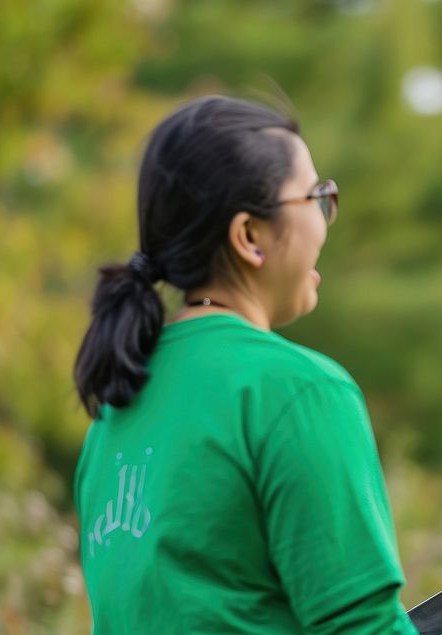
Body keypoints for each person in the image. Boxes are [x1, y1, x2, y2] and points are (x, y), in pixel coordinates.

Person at [73, 96, 417, 634]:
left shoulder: (113, 413)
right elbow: (359, 625)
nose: (327, 220)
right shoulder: (298, 391)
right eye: (317, 197)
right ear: (250, 237)